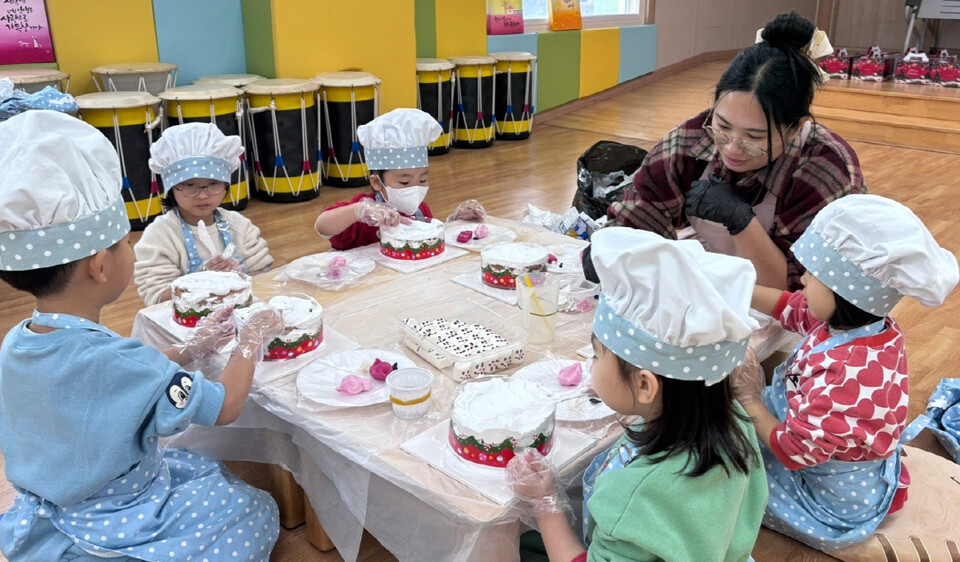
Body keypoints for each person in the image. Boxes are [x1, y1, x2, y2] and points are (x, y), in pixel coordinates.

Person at [0, 110, 284, 561]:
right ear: (100, 265)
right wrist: (251, 338)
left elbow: (114, 382)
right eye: (123, 243)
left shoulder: (17, 341)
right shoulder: (122, 361)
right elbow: (225, 406)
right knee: (252, 509)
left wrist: (190, 347)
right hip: (124, 508)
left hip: (60, 504)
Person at [508, 227, 769, 561]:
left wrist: (544, 502)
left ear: (645, 385)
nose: (590, 365)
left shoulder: (638, 494)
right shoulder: (734, 420)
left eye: (597, 355)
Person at [731, 194, 959, 551]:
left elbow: (793, 451)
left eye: (814, 274)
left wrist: (747, 398)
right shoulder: (863, 326)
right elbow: (794, 309)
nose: (803, 278)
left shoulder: (844, 377)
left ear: (848, 292)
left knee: (727, 474)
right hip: (829, 452)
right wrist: (735, 289)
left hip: (828, 499)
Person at [584, 11, 862, 291]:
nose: (731, 148)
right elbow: (642, 213)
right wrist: (613, 245)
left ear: (796, 127)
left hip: (795, 310)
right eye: (723, 126)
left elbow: (798, 290)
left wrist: (740, 222)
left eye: (754, 137)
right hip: (714, 283)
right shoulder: (692, 139)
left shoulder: (825, 169)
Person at [134, 122, 273, 305]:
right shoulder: (160, 235)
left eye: (213, 184)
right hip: (187, 323)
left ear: (226, 185)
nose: (202, 194)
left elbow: (263, 275)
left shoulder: (239, 225)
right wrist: (201, 282)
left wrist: (238, 277)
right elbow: (157, 297)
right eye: (190, 185)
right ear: (171, 189)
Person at [314, 107, 485, 250]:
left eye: (423, 180)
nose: (415, 188)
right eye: (404, 182)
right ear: (376, 182)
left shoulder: (421, 210)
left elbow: (425, 240)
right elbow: (323, 227)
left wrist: (455, 223)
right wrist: (360, 211)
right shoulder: (363, 213)